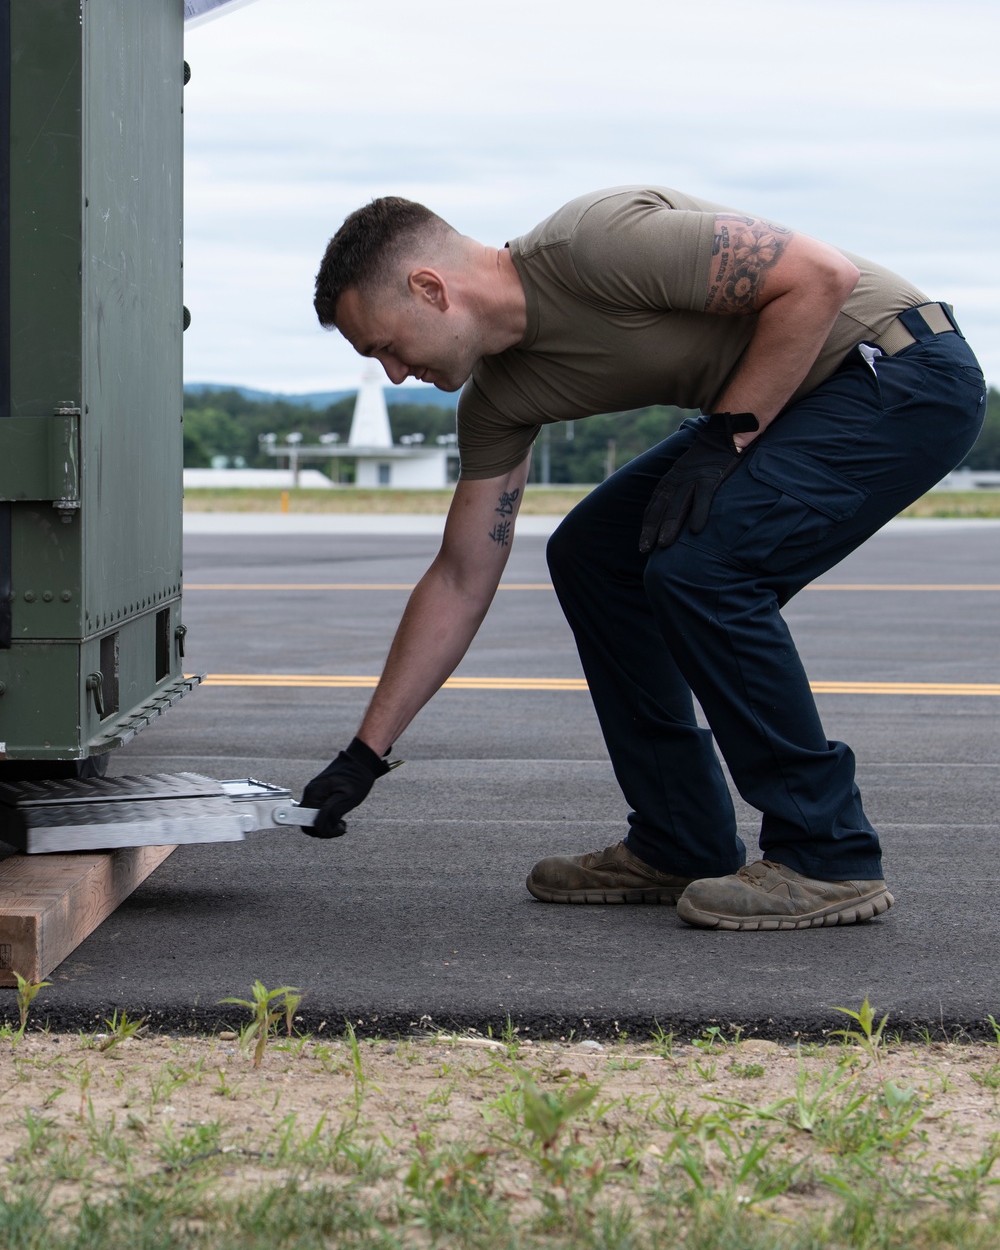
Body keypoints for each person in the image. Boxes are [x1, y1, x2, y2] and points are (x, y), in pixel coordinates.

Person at [300, 187, 986, 931]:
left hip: (900, 372)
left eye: (385, 347)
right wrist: (366, 753)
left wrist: (727, 435)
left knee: (703, 569)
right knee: (594, 556)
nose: (394, 374)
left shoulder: (594, 244)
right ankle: (680, 838)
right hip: (782, 407)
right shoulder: (500, 399)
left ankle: (827, 852)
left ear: (430, 290)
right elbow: (462, 576)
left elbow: (819, 276)